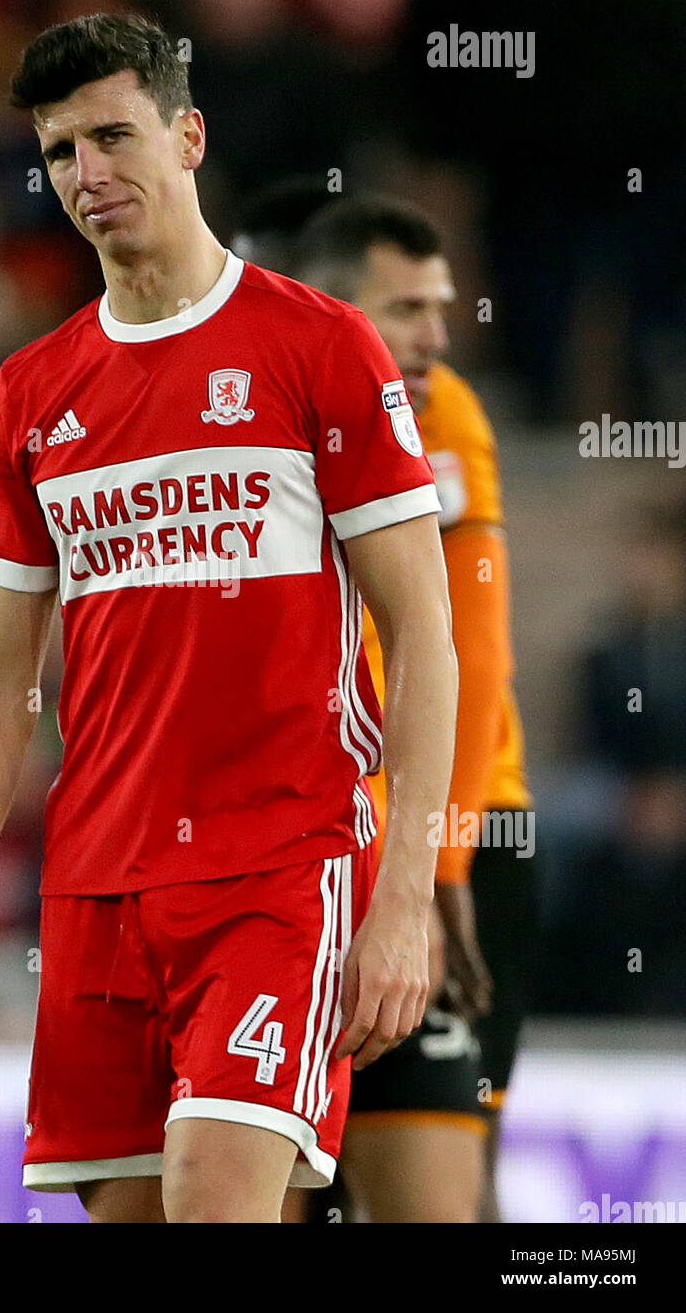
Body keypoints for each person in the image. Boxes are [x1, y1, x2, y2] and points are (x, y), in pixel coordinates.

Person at [0, 14, 458, 1225]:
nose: (87, 176)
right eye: (58, 153)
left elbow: (422, 633)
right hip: (98, 887)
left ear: (188, 136)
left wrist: (403, 897)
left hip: (277, 864)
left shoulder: (316, 347)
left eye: (112, 136)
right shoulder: (30, 395)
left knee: (217, 1198)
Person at [290, 194, 534, 1223]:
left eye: (439, 306)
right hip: (306, 838)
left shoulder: (439, 418)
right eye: (406, 309)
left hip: (463, 825)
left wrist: (434, 871)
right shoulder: (261, 415)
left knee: (448, 1168)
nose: (437, 335)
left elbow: (468, 661)